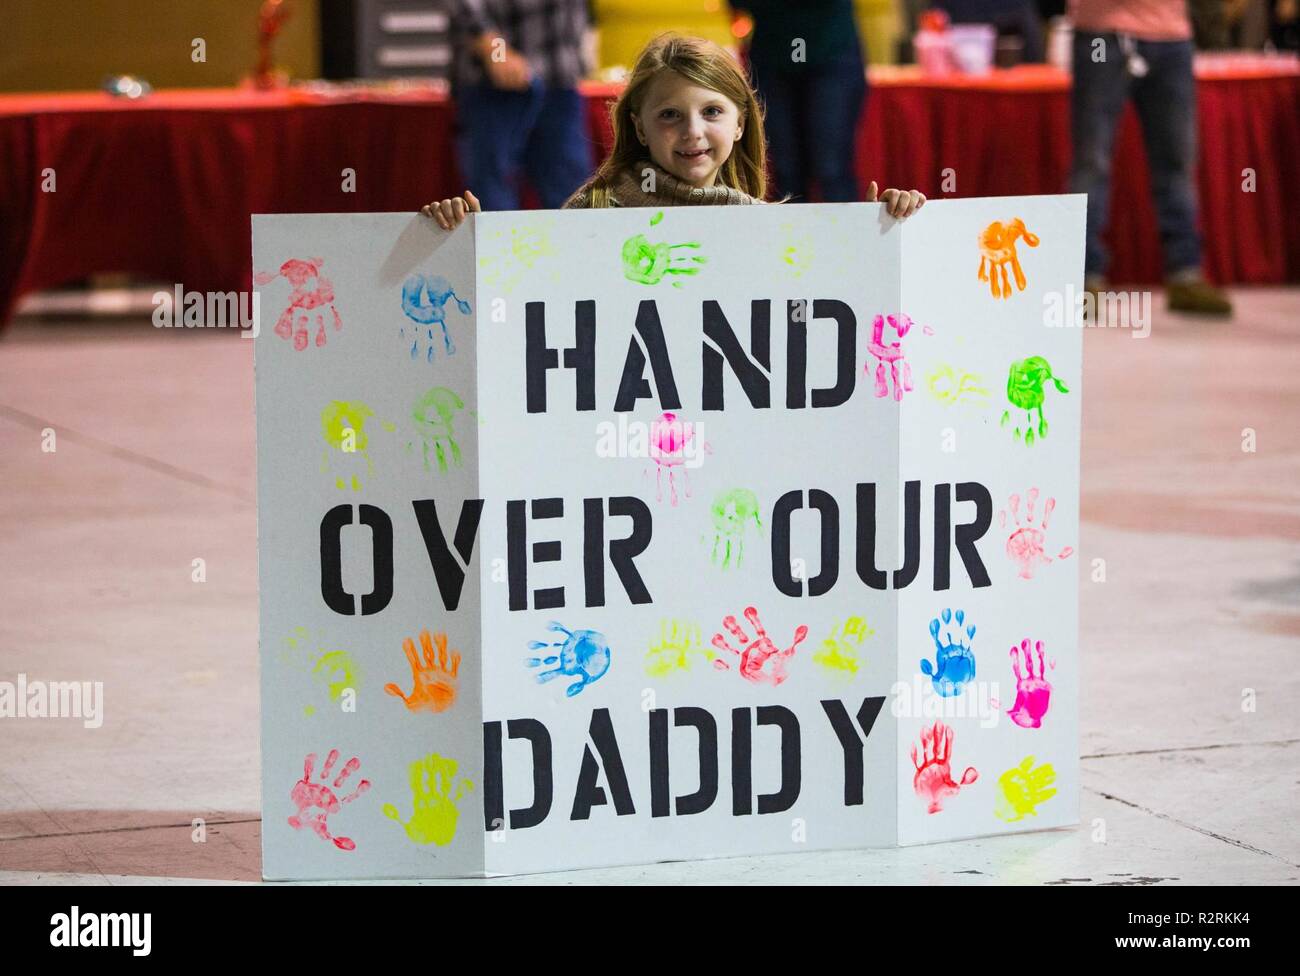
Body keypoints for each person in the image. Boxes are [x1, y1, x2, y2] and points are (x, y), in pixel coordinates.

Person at [423, 33, 924, 224]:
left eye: (712, 112)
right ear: (638, 128)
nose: (692, 132)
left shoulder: (763, 226)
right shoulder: (592, 212)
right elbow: (530, 299)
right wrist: (462, 236)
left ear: (741, 123)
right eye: (669, 115)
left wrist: (890, 224)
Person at [1069, 0, 1233, 314]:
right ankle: (1083, 275)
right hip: (1102, 36)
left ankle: (1185, 273)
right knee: (1092, 162)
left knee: (1177, 162)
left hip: (1172, 37)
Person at [447, 0, 594, 211]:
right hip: (494, 82)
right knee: (493, 201)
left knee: (573, 196)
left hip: (560, 75)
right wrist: (494, 48)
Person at [731, 0, 869, 203]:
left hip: (830, 51)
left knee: (831, 168)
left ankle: (845, 234)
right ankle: (792, 235)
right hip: (773, 57)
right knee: (786, 170)